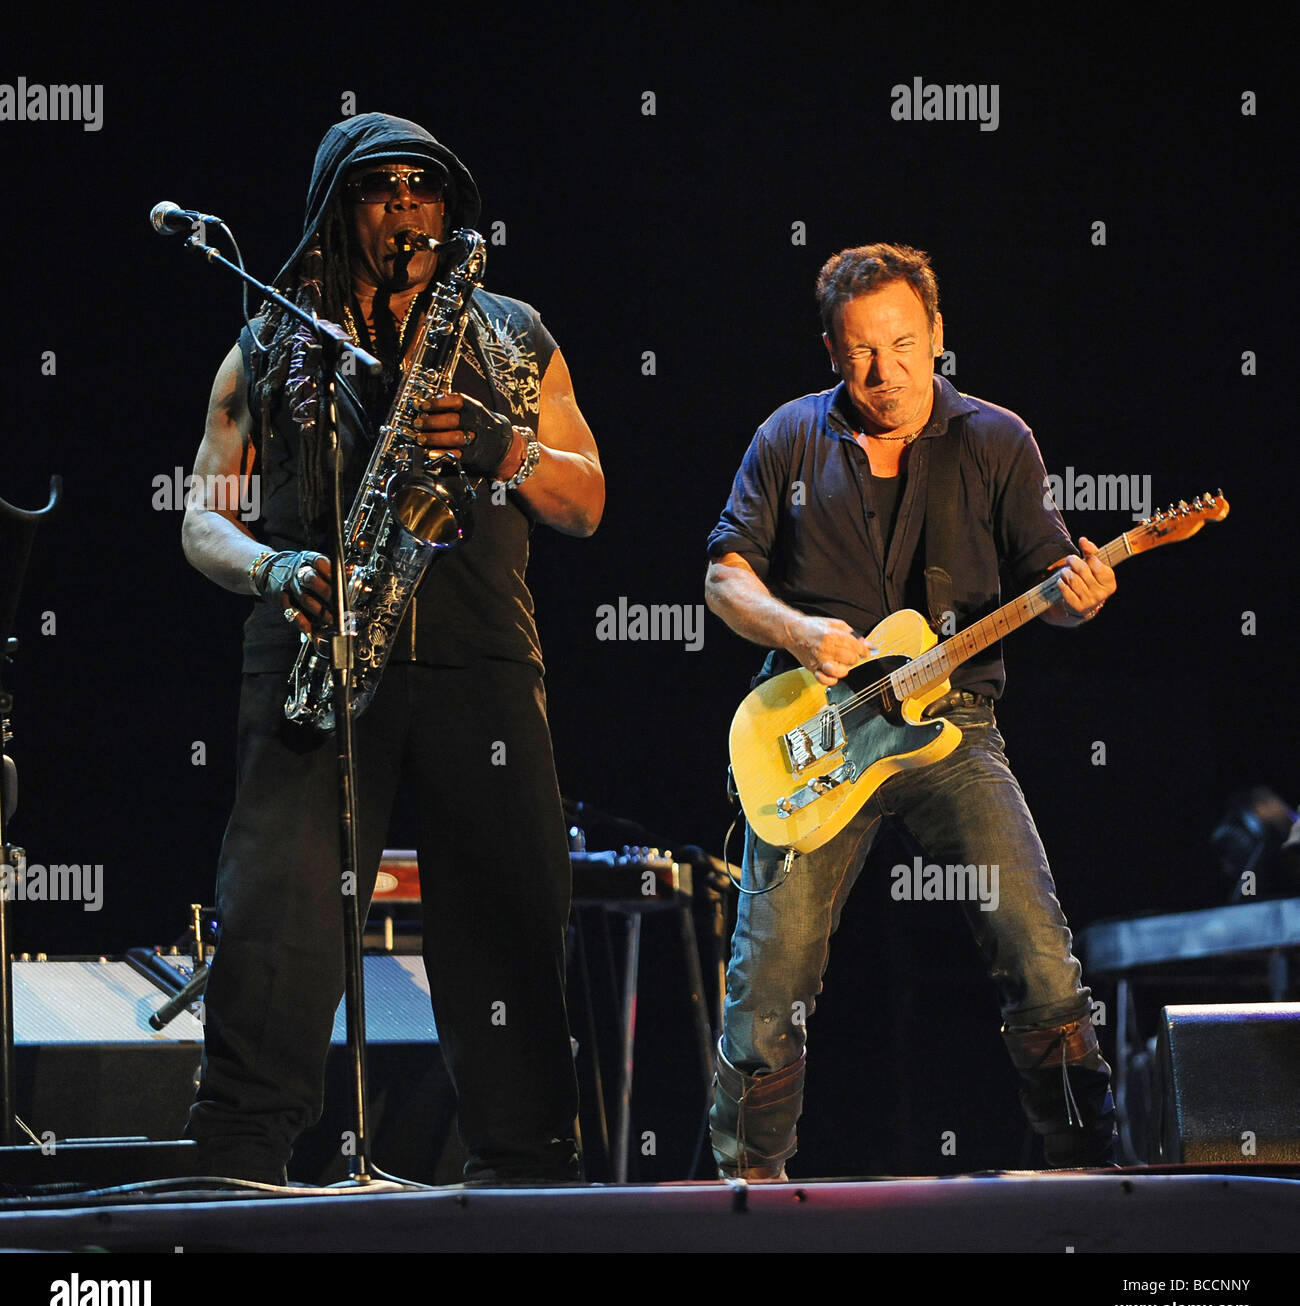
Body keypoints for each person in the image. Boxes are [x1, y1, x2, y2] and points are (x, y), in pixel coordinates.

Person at [180, 112, 603, 1185]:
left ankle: (526, 1166)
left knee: (509, 916)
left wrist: (504, 442)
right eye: (381, 187)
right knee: (278, 924)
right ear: (339, 207)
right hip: (314, 650)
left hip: (479, 659)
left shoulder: (512, 331)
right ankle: (239, 1160)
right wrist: (273, 569)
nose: (407, 206)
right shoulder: (270, 338)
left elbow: (587, 499)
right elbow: (201, 516)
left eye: (425, 186)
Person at [705, 243, 1117, 1178]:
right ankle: (743, 1192)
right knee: (768, 978)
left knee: (1038, 949)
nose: (885, 371)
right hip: (817, 728)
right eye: (860, 352)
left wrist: (1081, 590)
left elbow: (1051, 570)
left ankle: (1092, 1175)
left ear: (937, 334)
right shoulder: (787, 438)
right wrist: (799, 632)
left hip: (952, 724)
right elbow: (723, 577)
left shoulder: (997, 439)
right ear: (830, 350)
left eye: (903, 343)